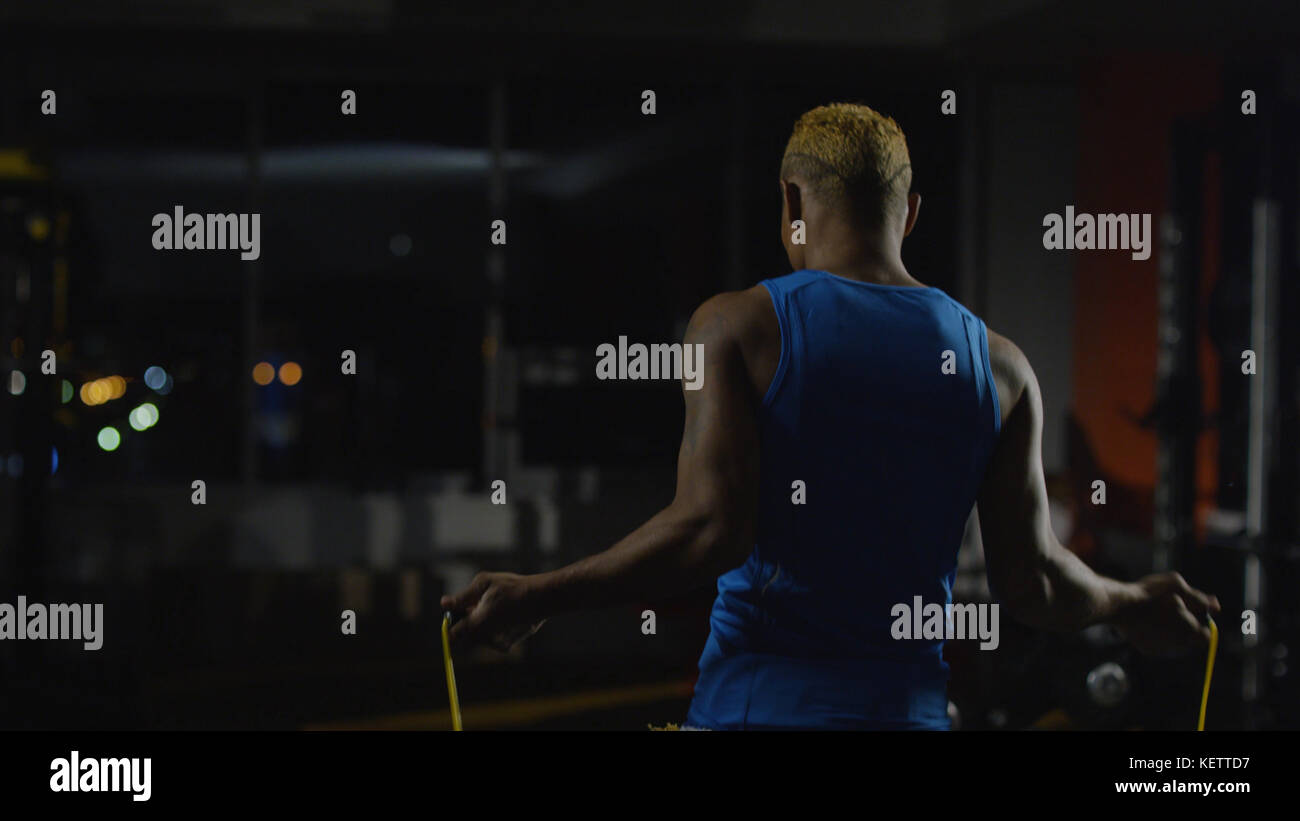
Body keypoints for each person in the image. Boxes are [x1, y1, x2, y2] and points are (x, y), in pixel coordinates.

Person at [441, 103, 1220, 729]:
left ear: (791, 201)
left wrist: (540, 594)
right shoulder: (1003, 366)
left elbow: (710, 529)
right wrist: (1131, 600)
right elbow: (1035, 583)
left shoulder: (734, 327)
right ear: (909, 212)